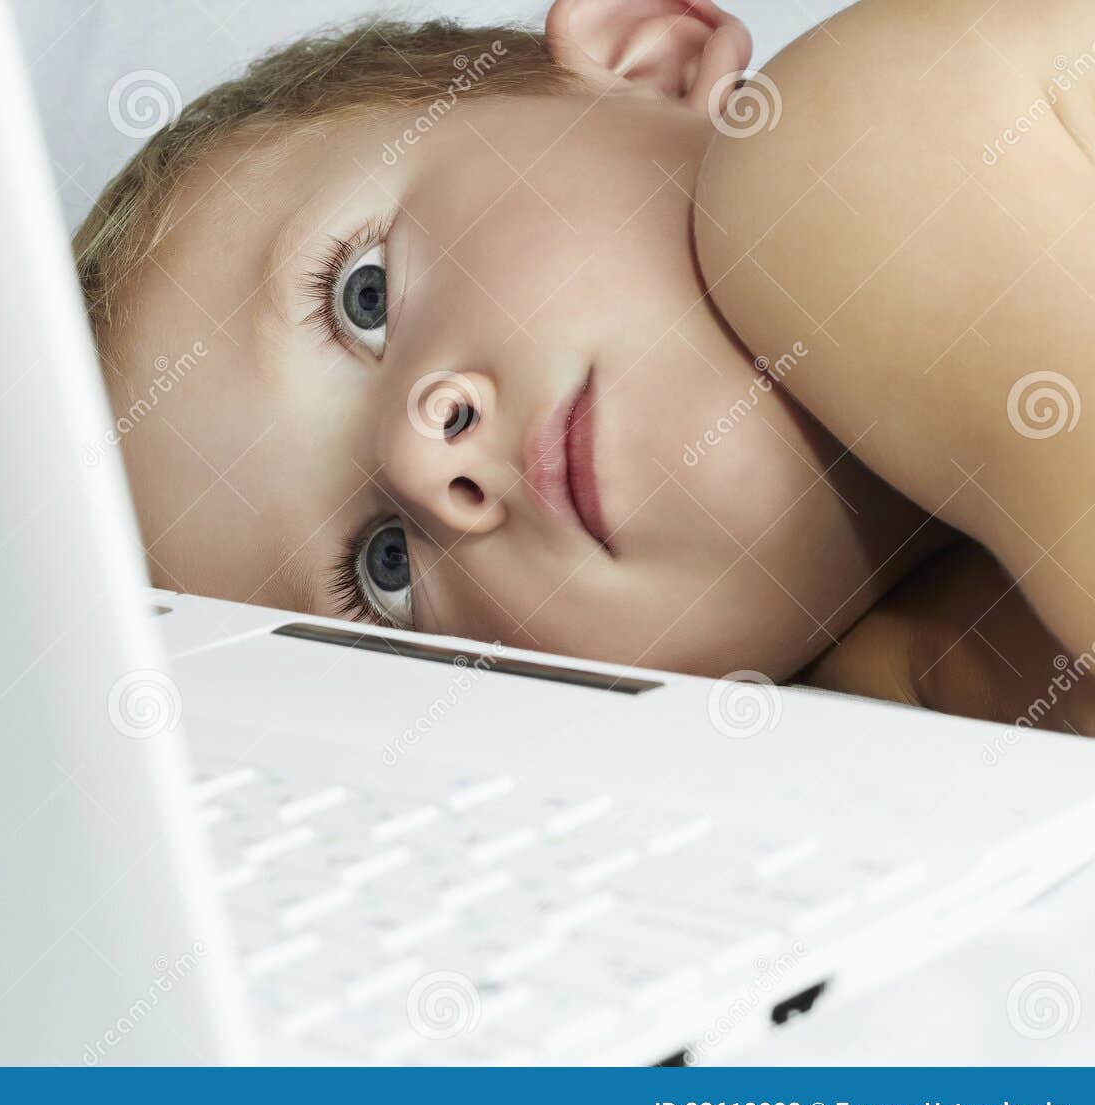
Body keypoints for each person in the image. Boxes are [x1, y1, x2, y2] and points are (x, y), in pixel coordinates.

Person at [73, 0, 1095, 738]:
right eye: (384, 571)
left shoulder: (852, 147)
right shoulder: (907, 702)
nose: (423, 460)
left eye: (365, 295)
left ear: (644, 56)